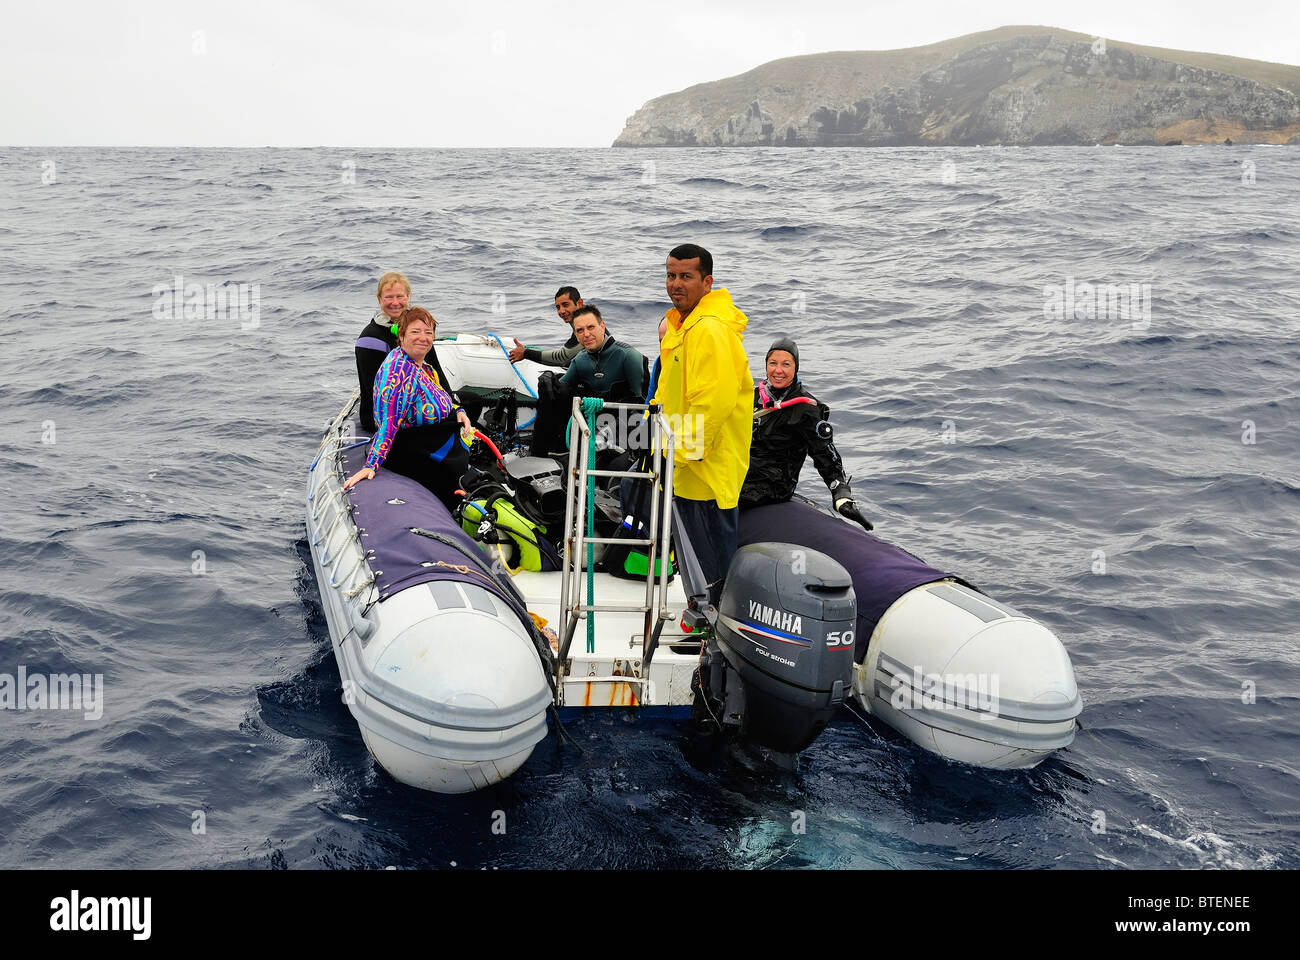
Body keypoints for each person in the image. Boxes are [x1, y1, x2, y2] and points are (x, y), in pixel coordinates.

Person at [651, 244, 753, 602]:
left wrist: (681, 454)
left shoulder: (708, 329)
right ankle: (707, 622)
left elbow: (714, 402)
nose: (675, 284)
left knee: (715, 574)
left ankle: (720, 632)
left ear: (707, 282)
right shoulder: (684, 327)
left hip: (705, 474)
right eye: (671, 275)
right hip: (687, 471)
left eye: (686, 277)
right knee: (698, 566)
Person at [344, 308, 474, 511]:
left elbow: (442, 396)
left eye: (428, 332)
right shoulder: (398, 372)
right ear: (401, 336)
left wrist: (458, 410)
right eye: (415, 332)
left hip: (435, 441)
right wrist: (371, 465)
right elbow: (388, 423)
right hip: (420, 454)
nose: (423, 338)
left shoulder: (418, 364)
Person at [739, 337, 874, 531]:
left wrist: (841, 493)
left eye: (786, 364)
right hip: (743, 475)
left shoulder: (806, 408)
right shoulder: (754, 397)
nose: (778, 370)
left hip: (772, 488)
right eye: (773, 363)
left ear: (796, 368)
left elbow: (825, 455)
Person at [530, 305, 646, 456]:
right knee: (549, 386)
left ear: (602, 326)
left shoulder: (629, 356)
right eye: (580, 330)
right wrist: (547, 378)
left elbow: (642, 407)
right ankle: (540, 455)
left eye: (590, 327)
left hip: (624, 433)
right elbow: (560, 391)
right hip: (591, 429)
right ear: (576, 335)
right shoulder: (580, 360)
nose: (586, 334)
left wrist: (610, 431)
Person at [355, 271, 453, 433]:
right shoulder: (370, 340)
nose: (395, 303)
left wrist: (453, 404)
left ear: (408, 297)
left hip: (420, 400)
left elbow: (437, 373)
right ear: (379, 299)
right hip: (382, 414)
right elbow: (377, 393)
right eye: (388, 297)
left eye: (400, 297)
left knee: (471, 401)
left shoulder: (417, 331)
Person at [507, 286, 585, 368]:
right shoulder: (584, 322)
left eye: (565, 305)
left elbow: (562, 358)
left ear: (579, 303)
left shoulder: (585, 326)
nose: (561, 311)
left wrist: (525, 353)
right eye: (558, 307)